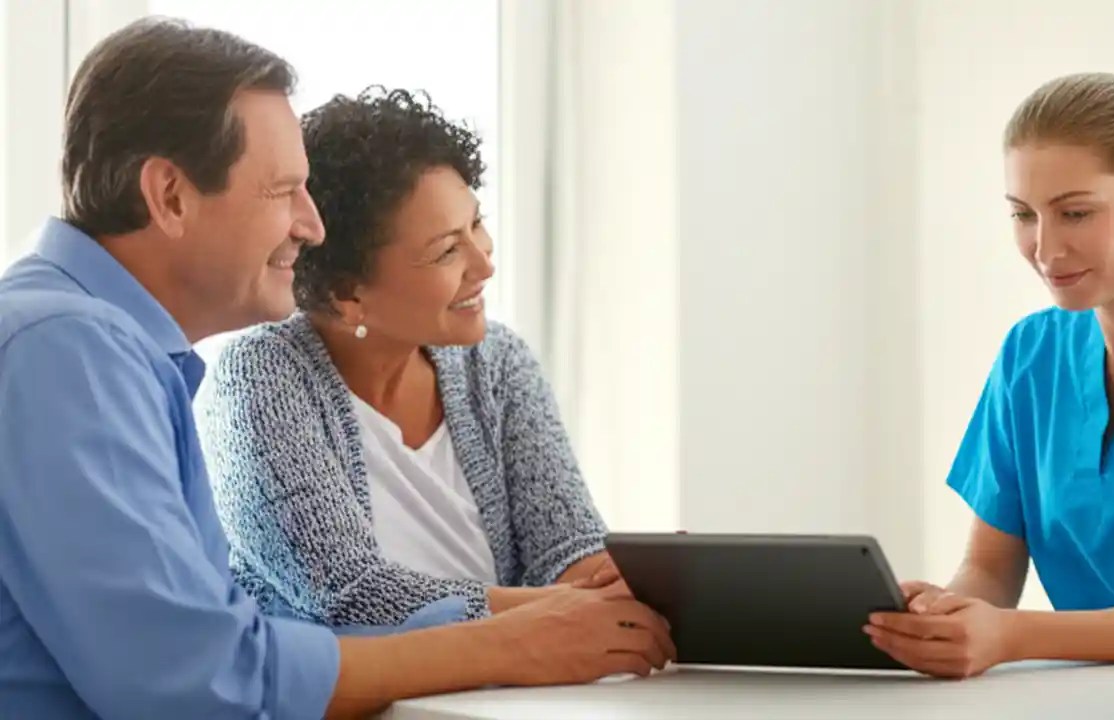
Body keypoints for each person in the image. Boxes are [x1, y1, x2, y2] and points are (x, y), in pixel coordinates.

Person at [0, 18, 672, 720]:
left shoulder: (103, 350)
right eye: (282, 191)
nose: (312, 227)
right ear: (170, 196)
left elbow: (219, 649)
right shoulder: (67, 349)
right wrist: (507, 643)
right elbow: (203, 681)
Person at [864, 72, 1114, 677]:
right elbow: (990, 569)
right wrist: (944, 618)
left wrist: (1011, 636)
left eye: (1076, 214)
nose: (1045, 248)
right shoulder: (1029, 356)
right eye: (1023, 215)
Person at [195, 86, 617, 629]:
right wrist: (557, 610)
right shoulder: (259, 378)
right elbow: (352, 598)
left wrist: (635, 582)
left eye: (476, 225)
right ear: (349, 295)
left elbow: (569, 552)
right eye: (446, 250)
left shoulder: (497, 362)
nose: (483, 263)